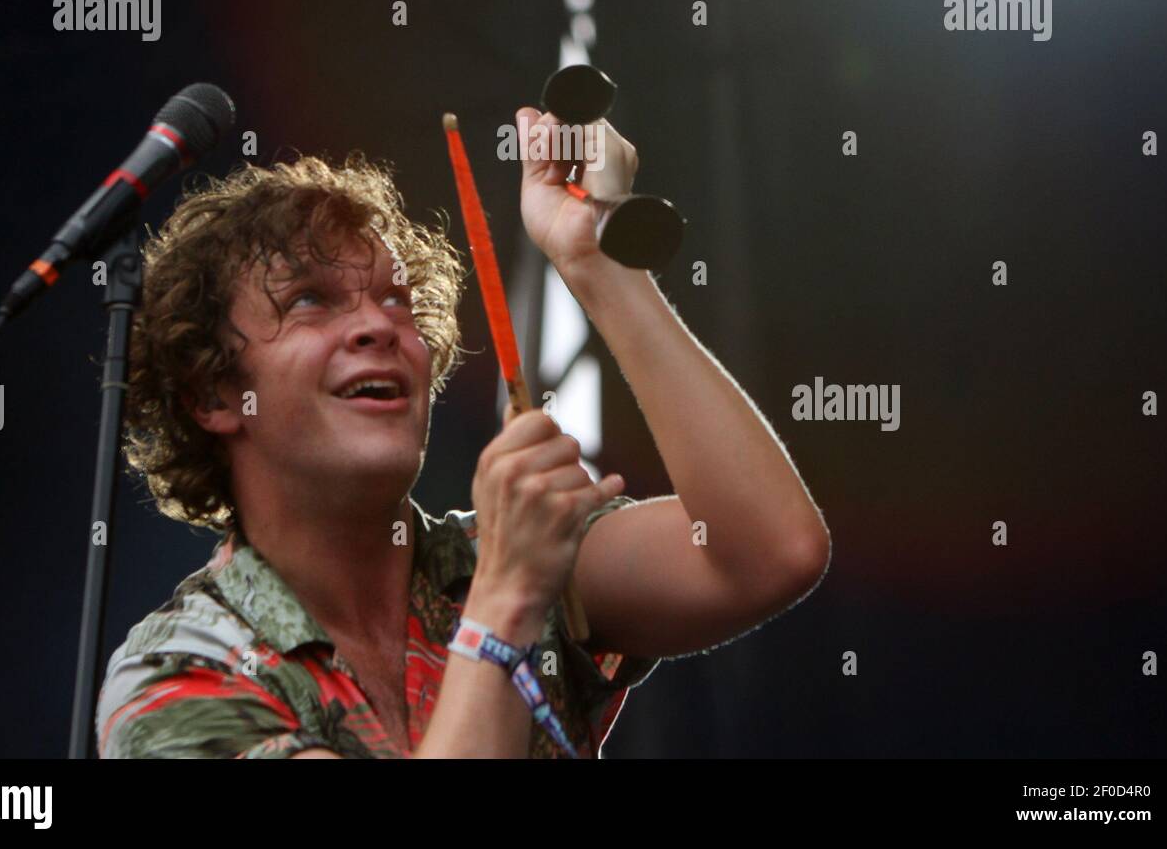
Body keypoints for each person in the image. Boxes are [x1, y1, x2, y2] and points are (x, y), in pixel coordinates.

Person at [95, 106, 831, 758]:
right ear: (212, 394)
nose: (379, 324)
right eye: (311, 300)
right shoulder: (176, 674)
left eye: (397, 297)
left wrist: (599, 262)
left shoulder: (507, 556)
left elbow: (769, 550)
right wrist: (507, 599)